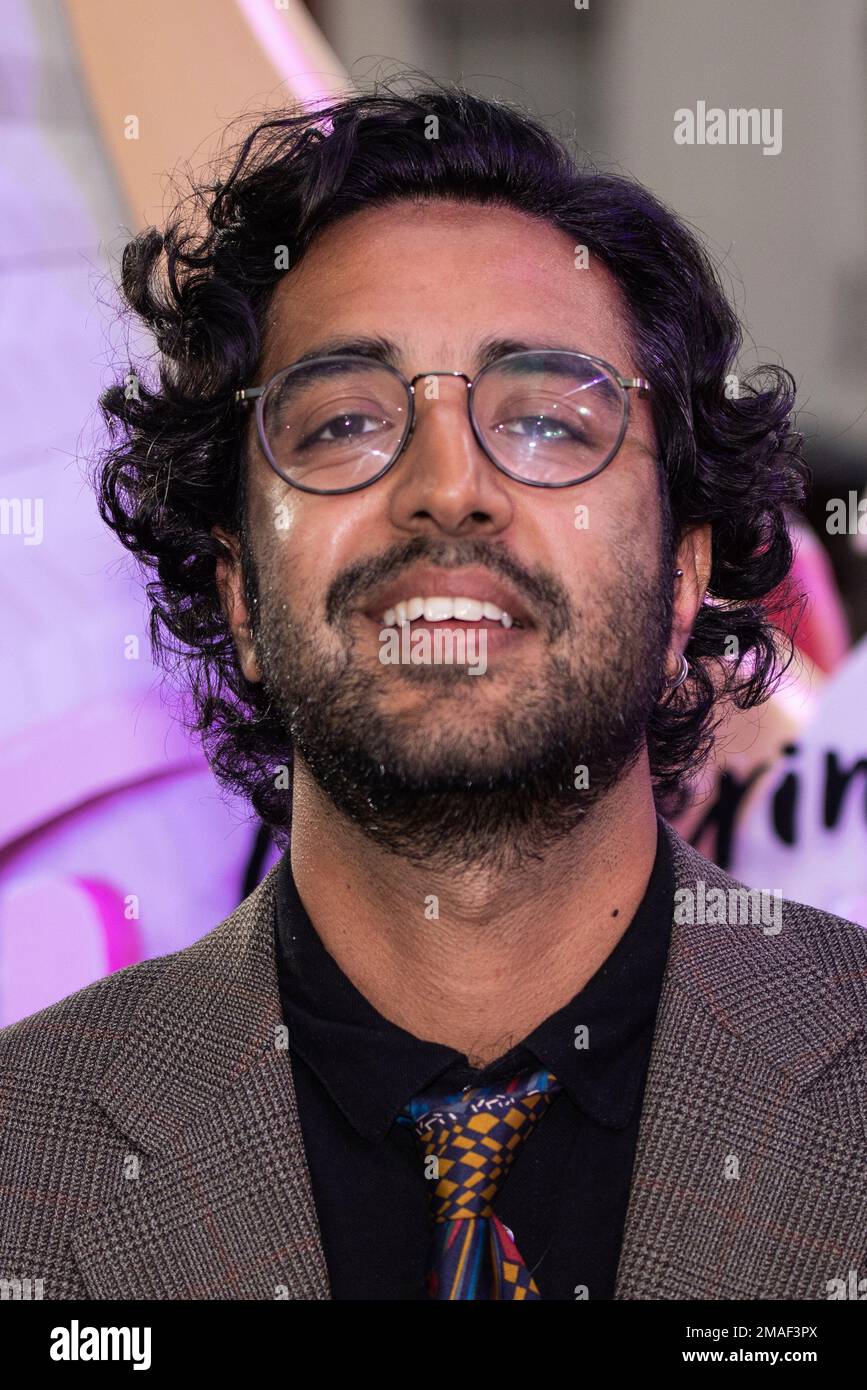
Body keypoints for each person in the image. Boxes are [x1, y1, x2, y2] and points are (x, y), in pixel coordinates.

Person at [1, 84, 864, 1303]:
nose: (448, 486)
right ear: (240, 589)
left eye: (554, 425)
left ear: (683, 575)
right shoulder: (20, 1167)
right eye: (348, 422)